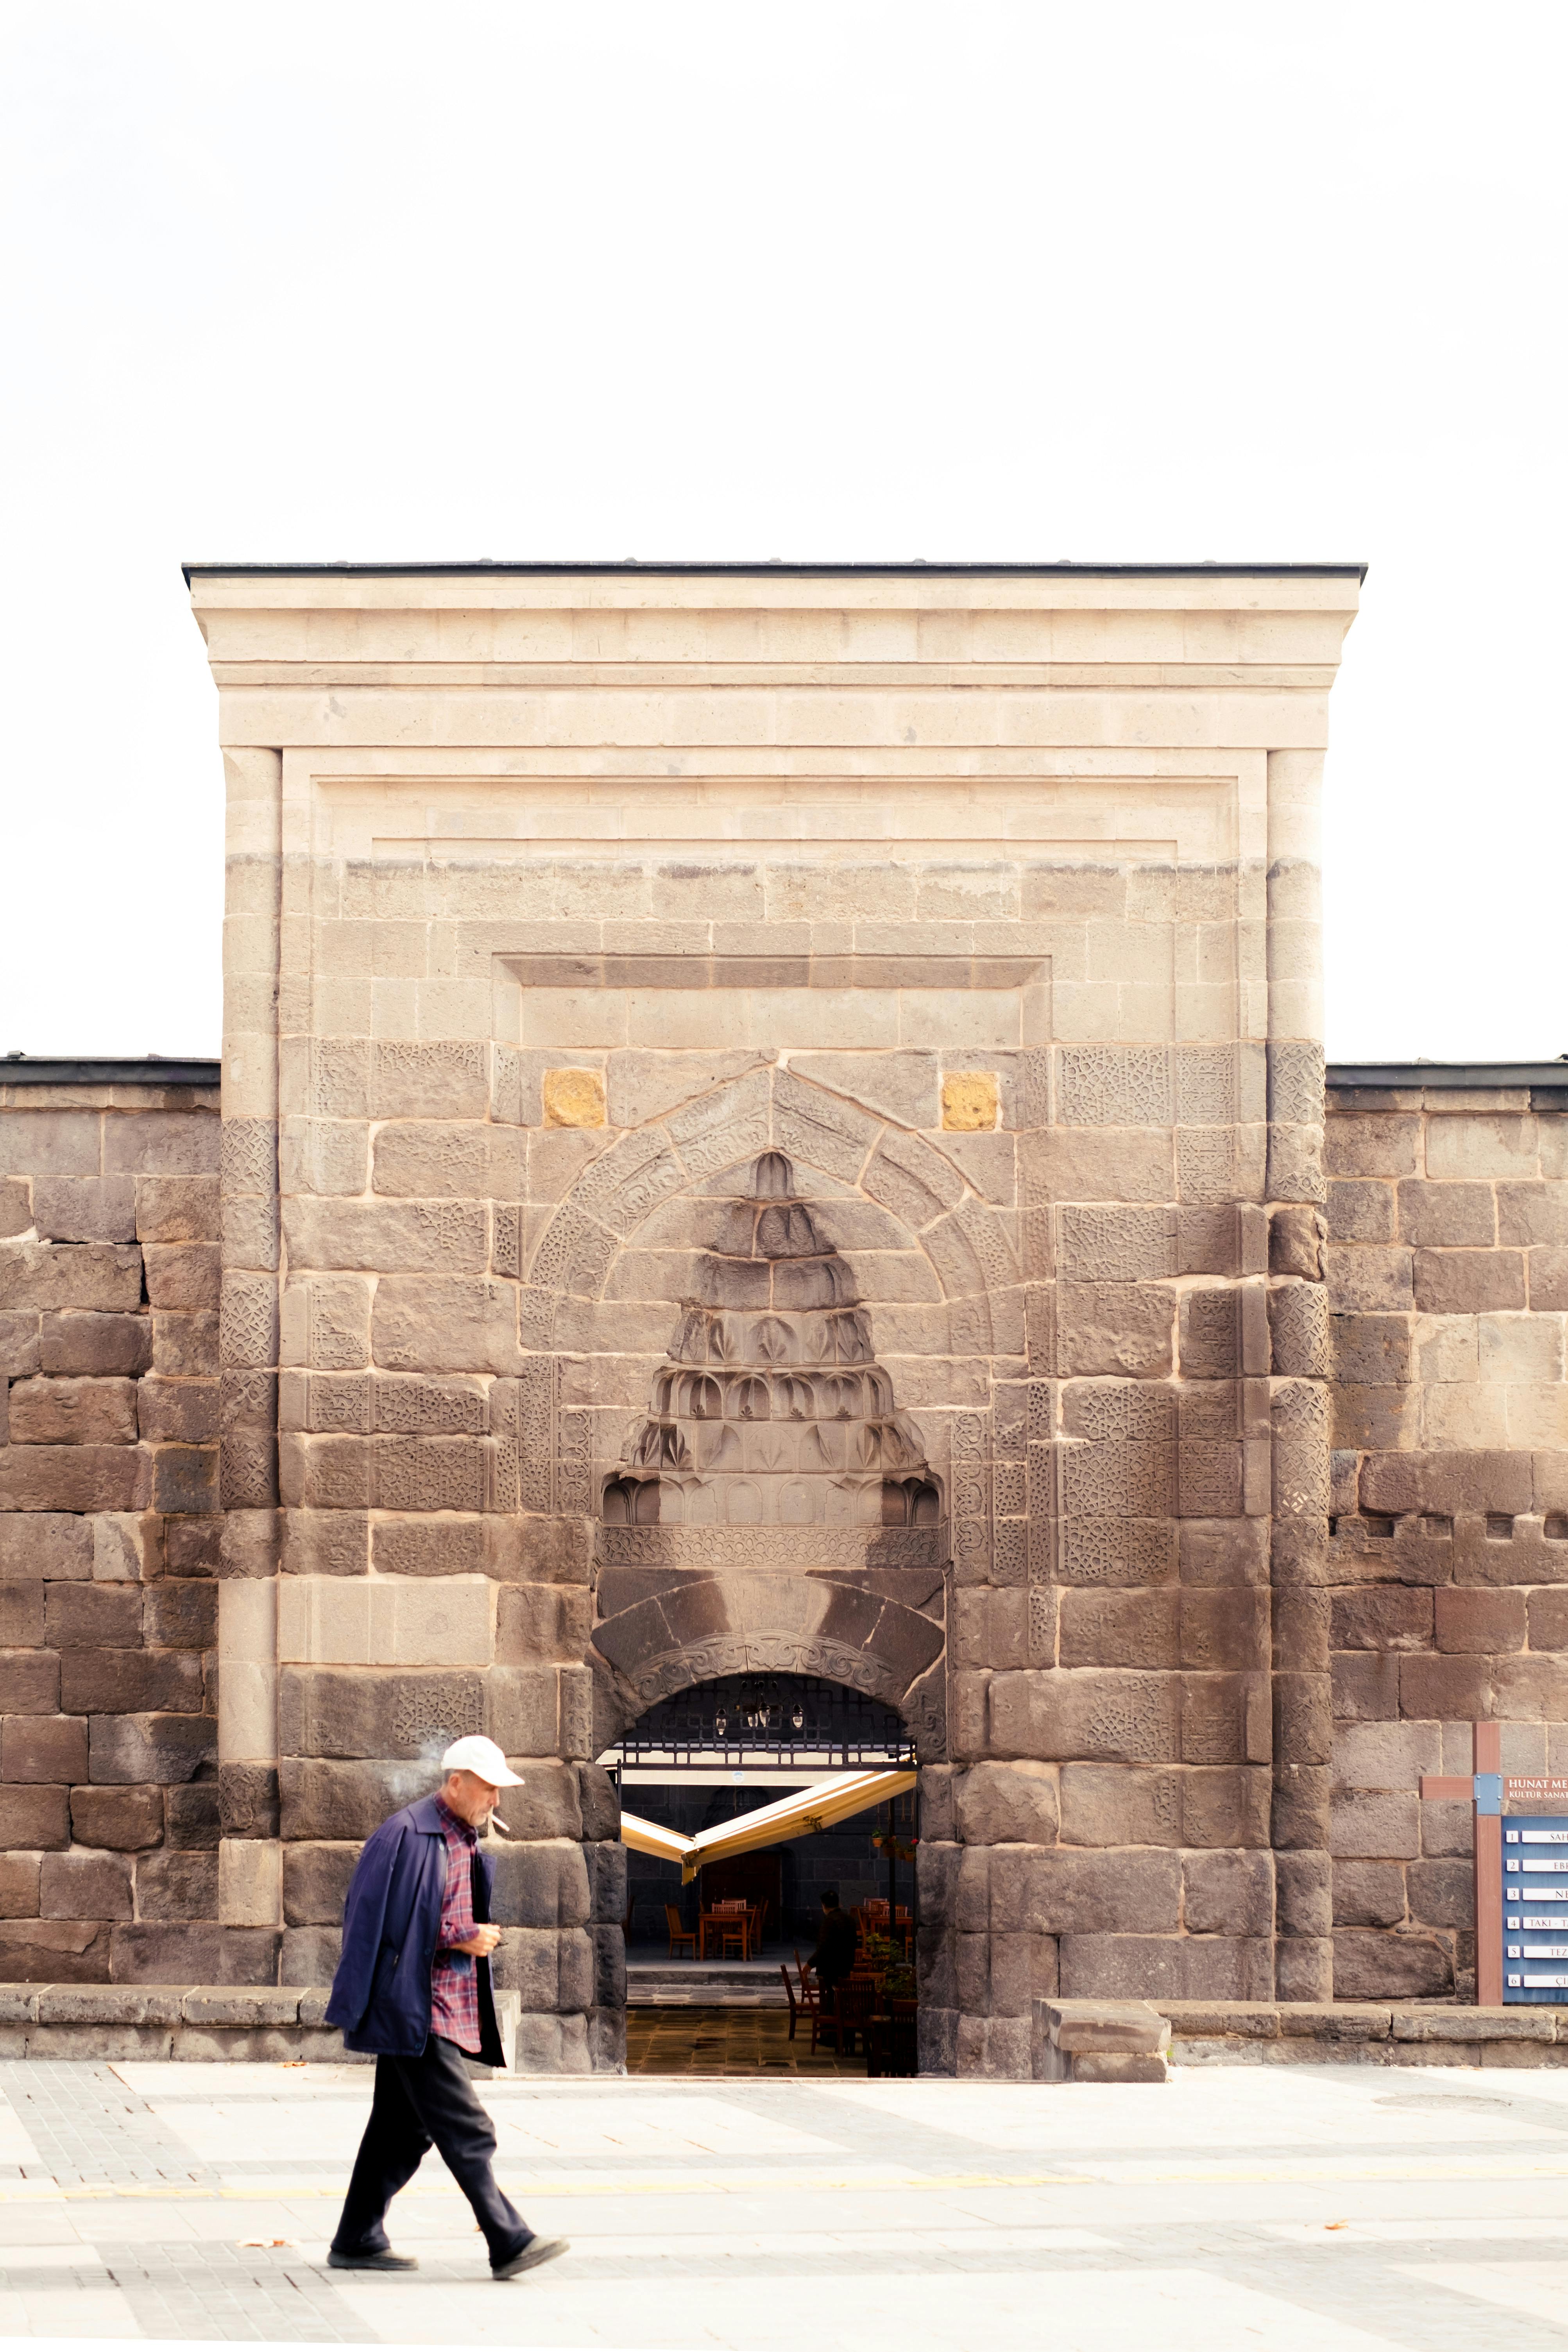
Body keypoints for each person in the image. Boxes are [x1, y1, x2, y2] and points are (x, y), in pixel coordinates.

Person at [324, 1734, 568, 2280]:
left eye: (500, 1790)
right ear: (455, 1782)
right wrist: (464, 1935)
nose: (496, 1800)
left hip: (433, 2005)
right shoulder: (408, 1834)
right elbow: (381, 1927)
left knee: (400, 2131)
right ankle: (509, 2238)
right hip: (412, 2007)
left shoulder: (460, 1836)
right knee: (466, 2125)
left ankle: (357, 2236)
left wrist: (466, 1935)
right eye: (488, 1788)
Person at [805, 1886, 857, 2016]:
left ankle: (830, 2028)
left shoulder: (829, 1921)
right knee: (841, 1997)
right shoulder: (850, 1920)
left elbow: (824, 1947)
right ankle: (840, 2026)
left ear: (824, 1906)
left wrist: (810, 1964)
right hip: (847, 1965)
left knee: (831, 1997)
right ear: (839, 1903)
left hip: (831, 1968)